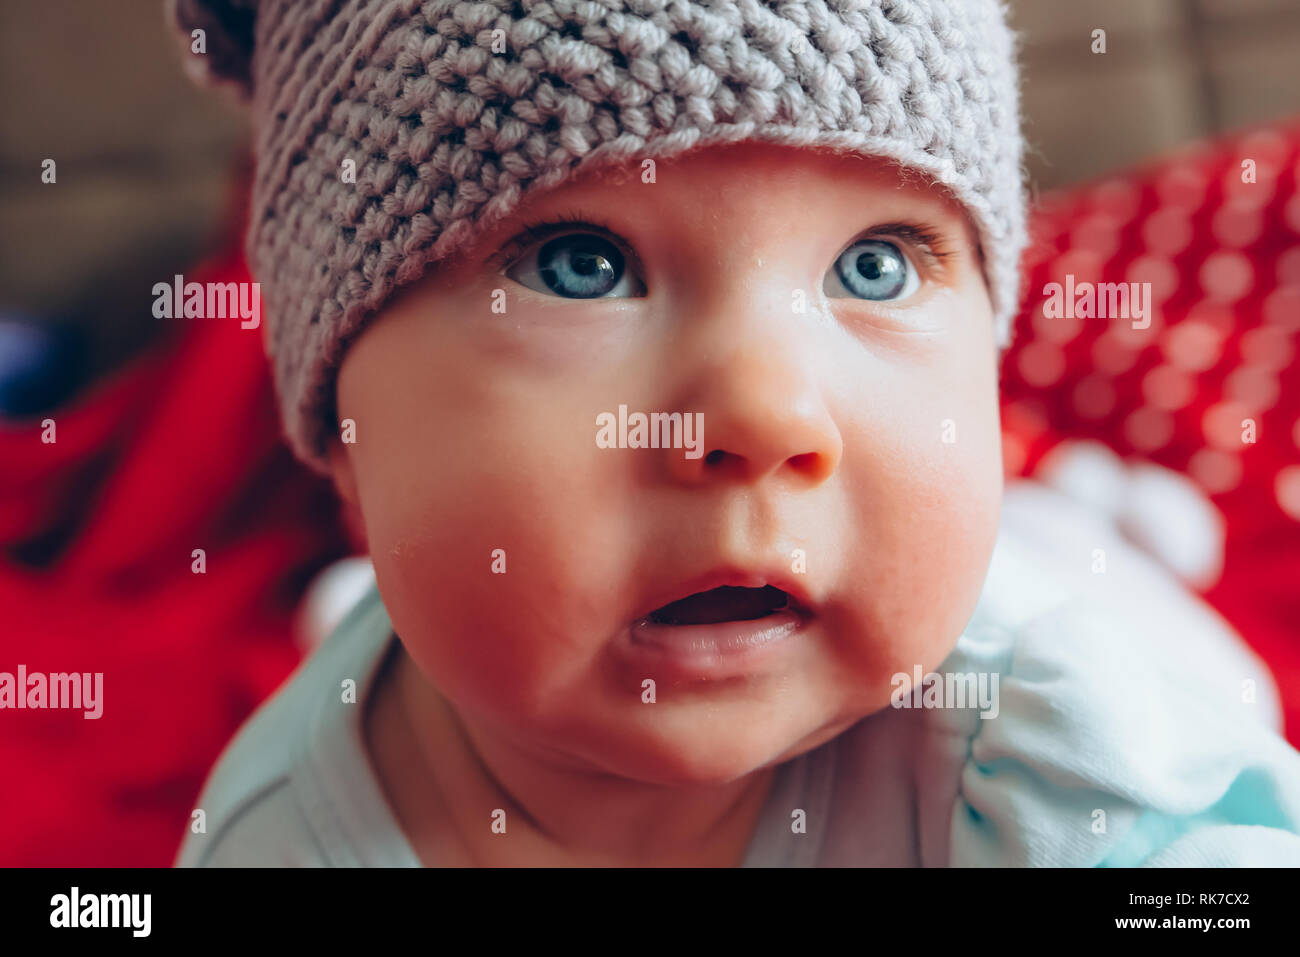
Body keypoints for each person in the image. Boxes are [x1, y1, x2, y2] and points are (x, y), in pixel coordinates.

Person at [171, 0, 1300, 866]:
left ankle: (1089, 538)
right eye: (583, 266)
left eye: (876, 266)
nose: (767, 415)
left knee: (1155, 644)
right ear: (346, 437)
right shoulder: (273, 836)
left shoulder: (1056, 780)